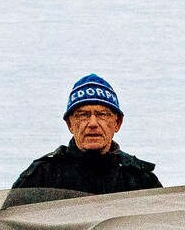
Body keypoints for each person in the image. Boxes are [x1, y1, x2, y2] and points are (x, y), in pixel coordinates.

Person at [13, 72, 161, 195]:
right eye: (83, 115)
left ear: (117, 123)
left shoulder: (141, 179)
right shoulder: (42, 175)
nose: (92, 124)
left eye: (102, 114)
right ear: (70, 124)